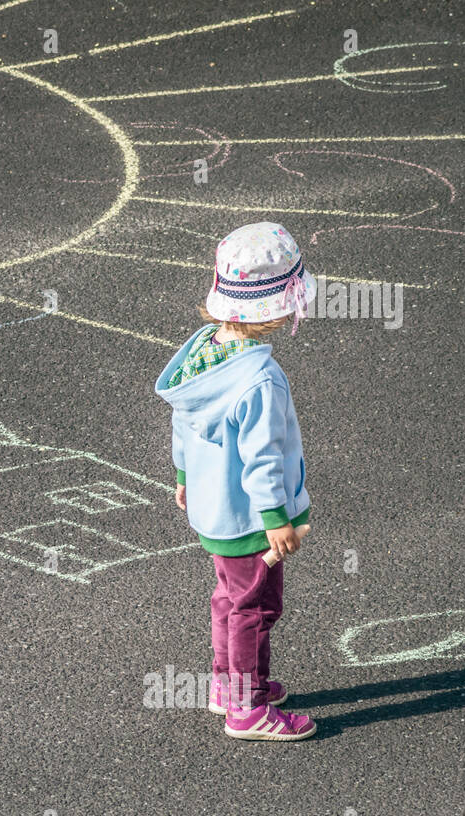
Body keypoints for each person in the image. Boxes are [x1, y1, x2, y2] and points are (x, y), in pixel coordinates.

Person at [154, 222, 317, 741]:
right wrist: (278, 520)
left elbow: (183, 420)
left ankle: (229, 685)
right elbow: (263, 458)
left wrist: (181, 473)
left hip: (212, 506)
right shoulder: (260, 379)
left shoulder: (203, 353)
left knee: (229, 598)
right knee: (256, 607)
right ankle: (246, 710)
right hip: (250, 518)